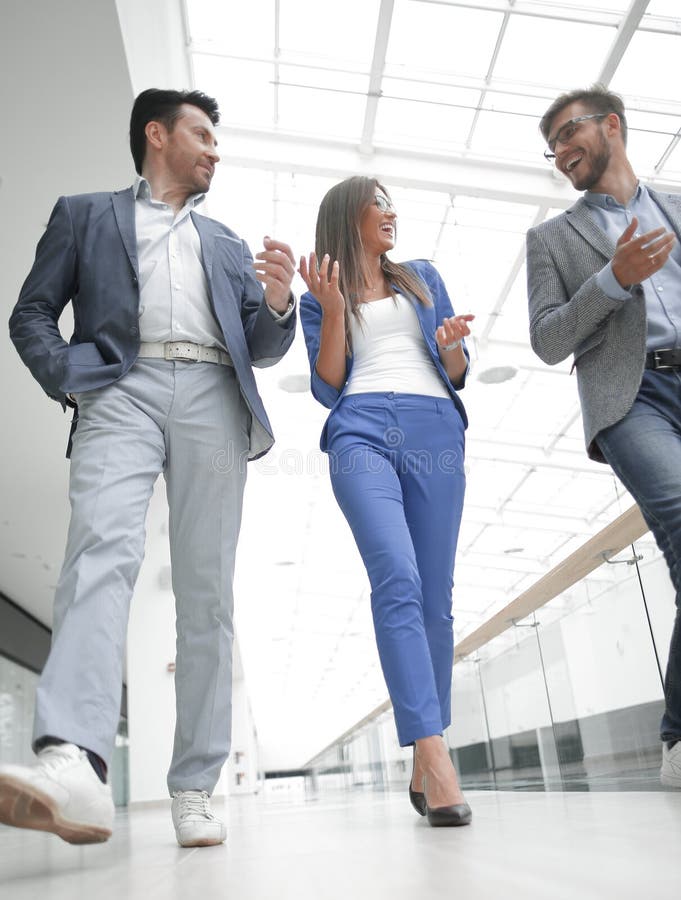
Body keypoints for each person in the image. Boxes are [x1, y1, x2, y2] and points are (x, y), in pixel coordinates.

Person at [1, 88, 297, 847]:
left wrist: (277, 303)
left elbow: (259, 347)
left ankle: (196, 786)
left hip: (211, 396)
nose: (214, 150)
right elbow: (30, 312)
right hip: (119, 392)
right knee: (100, 552)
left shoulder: (227, 244)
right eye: (201, 134)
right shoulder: (85, 214)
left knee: (208, 595)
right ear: (156, 135)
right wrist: (69, 374)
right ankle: (73, 759)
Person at [299, 176, 474, 826]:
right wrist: (334, 310)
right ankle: (435, 753)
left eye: (393, 203)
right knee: (395, 578)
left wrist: (452, 346)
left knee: (435, 598)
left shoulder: (422, 275)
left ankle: (424, 757)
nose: (392, 212)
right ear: (351, 214)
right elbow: (328, 385)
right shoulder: (319, 290)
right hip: (360, 427)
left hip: (435, 425)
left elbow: (456, 371)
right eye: (379, 203)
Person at [526, 84, 681, 789]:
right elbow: (548, 339)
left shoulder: (675, 205)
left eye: (566, 135)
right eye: (552, 146)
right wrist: (613, 279)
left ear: (610, 126)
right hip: (632, 398)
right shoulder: (552, 238)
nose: (559, 154)